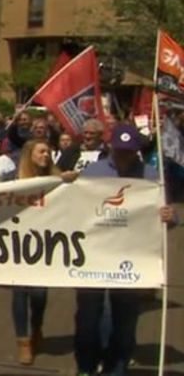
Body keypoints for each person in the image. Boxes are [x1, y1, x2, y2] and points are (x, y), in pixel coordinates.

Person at [72, 124, 176, 376]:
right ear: (111, 147)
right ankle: (86, 366)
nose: (123, 157)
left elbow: (169, 217)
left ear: (136, 150)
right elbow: (74, 208)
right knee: (87, 319)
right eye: (119, 151)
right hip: (94, 257)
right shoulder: (93, 172)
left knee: (125, 319)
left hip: (131, 258)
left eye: (128, 152)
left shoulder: (152, 176)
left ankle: (116, 367)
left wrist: (169, 216)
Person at [11, 139, 70, 365]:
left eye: (48, 152)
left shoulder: (56, 179)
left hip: (44, 244)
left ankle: (36, 328)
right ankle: (23, 342)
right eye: (41, 151)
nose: (46, 155)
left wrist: (69, 181)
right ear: (30, 155)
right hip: (18, 244)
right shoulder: (15, 181)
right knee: (19, 293)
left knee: (39, 294)